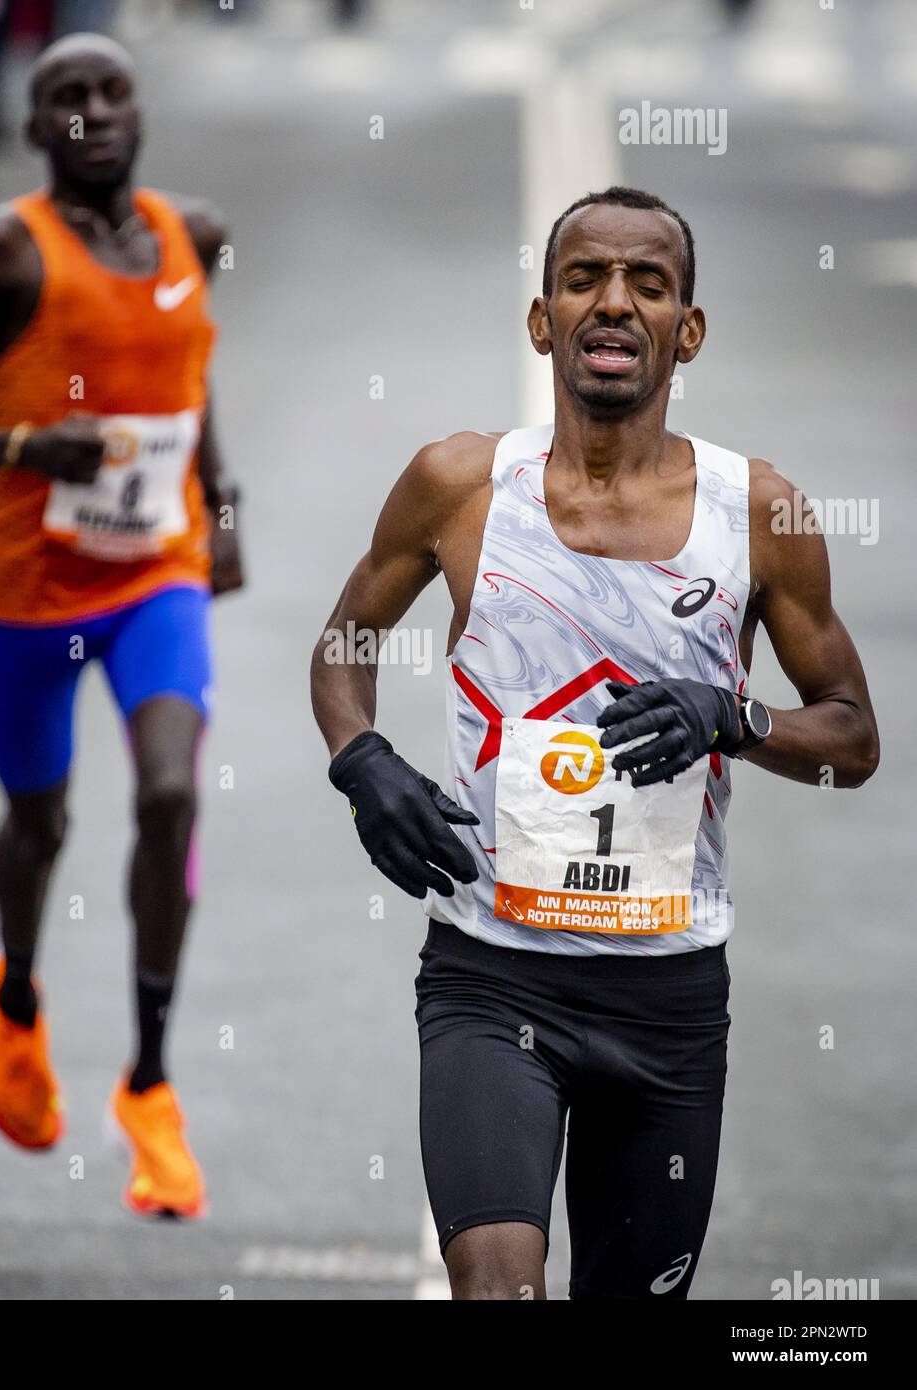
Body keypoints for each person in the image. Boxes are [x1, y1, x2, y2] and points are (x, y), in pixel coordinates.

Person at [310, 186, 878, 1299]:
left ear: (687, 329)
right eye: (583, 280)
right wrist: (358, 758)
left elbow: (852, 737)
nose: (612, 304)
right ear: (542, 320)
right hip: (489, 978)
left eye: (647, 285)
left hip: (664, 1004)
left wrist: (737, 717)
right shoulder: (460, 486)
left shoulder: (758, 514)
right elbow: (344, 640)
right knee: (496, 1290)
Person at [0, 33, 243, 1220]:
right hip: (30, 593)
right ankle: (18, 995)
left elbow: (186, 376)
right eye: (63, 97)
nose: (90, 110)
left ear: (138, 110)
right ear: (34, 129)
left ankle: (147, 1085)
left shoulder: (196, 236)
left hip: (153, 579)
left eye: (110, 90)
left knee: (170, 793)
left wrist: (220, 506)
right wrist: (24, 447)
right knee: (39, 823)